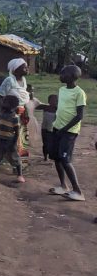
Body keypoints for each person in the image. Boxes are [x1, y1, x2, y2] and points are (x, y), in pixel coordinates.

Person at [49, 65, 87, 201]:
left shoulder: (79, 93)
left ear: (72, 77)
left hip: (69, 131)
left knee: (65, 160)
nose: (60, 76)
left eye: (63, 74)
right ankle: (63, 186)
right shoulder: (61, 89)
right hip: (57, 128)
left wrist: (64, 129)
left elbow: (79, 116)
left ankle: (78, 191)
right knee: (56, 158)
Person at [0, 95, 25, 183]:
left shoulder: (15, 117)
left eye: (5, 102)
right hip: (1, 139)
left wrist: (14, 143)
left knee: (14, 157)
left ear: (12, 105)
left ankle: (20, 175)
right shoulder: (2, 114)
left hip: (10, 140)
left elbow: (17, 132)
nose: (3, 104)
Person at [0, 59, 31, 157]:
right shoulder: (9, 80)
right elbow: (1, 97)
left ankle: (17, 158)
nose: (27, 68)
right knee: (9, 136)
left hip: (20, 113)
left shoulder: (24, 80)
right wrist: (2, 114)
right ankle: (6, 158)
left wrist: (25, 111)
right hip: (9, 114)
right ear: (15, 70)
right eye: (24, 67)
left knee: (20, 135)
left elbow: (22, 98)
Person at [38, 94, 58, 162]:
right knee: (45, 143)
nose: (54, 102)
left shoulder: (58, 109)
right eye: (52, 100)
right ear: (48, 101)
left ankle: (52, 155)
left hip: (53, 129)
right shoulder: (45, 107)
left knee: (53, 143)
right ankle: (45, 157)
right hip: (44, 128)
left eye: (55, 100)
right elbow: (36, 106)